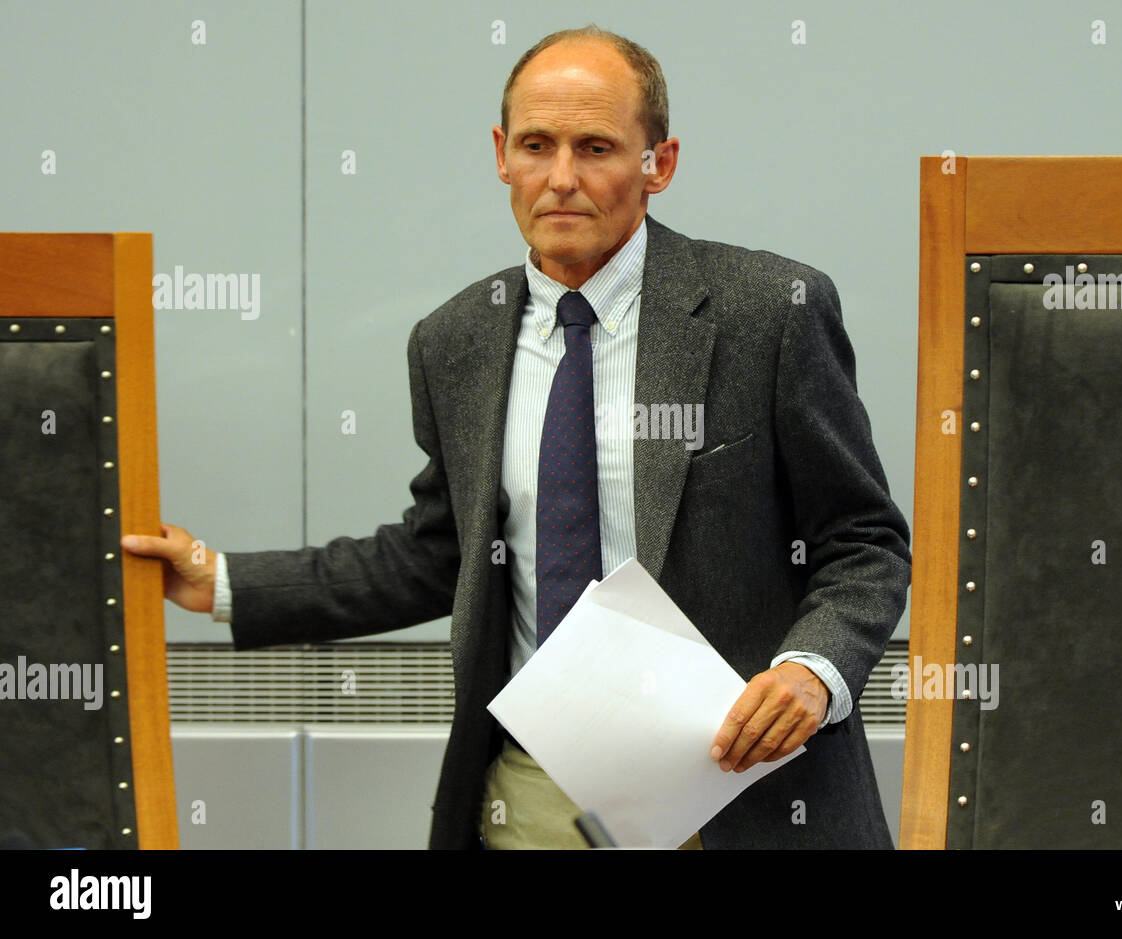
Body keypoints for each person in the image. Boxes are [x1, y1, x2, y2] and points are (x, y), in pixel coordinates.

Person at [122, 25, 911, 849]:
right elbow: (438, 554)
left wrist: (811, 673)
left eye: (597, 146)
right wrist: (219, 581)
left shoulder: (767, 312)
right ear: (502, 154)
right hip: (533, 800)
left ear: (659, 164)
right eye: (537, 144)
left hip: (742, 791)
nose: (561, 178)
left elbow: (864, 542)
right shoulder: (454, 341)